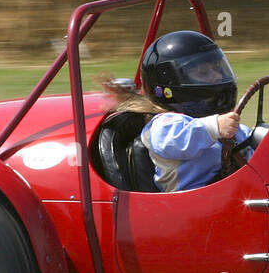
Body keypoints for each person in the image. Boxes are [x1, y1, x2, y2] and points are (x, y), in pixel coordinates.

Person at [107, 31, 253, 192]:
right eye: (204, 72)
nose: (218, 76)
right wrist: (214, 127)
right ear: (171, 83)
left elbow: (245, 139)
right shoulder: (165, 125)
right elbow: (178, 141)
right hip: (192, 206)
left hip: (229, 193)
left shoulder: (215, 121)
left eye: (219, 68)